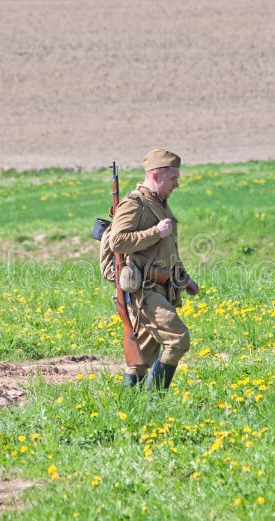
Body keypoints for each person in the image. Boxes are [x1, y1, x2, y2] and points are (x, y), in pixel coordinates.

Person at [110, 148, 199, 390]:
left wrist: (184, 279)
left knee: (141, 359)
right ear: (156, 176)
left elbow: (168, 251)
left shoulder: (159, 204)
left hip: (161, 286)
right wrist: (155, 232)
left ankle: (131, 406)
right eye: (173, 178)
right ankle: (155, 401)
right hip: (144, 290)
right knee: (178, 339)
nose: (176, 184)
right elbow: (117, 241)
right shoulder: (135, 204)